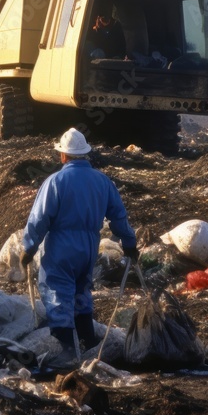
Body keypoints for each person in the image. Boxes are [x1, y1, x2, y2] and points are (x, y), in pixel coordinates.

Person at [19, 128, 139, 367]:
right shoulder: (102, 181)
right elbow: (119, 217)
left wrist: (28, 249)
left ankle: (67, 350)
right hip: (89, 247)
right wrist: (129, 244)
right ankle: (87, 341)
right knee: (82, 290)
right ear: (84, 154)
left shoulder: (55, 182)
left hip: (62, 245)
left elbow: (39, 219)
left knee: (57, 290)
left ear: (63, 155)